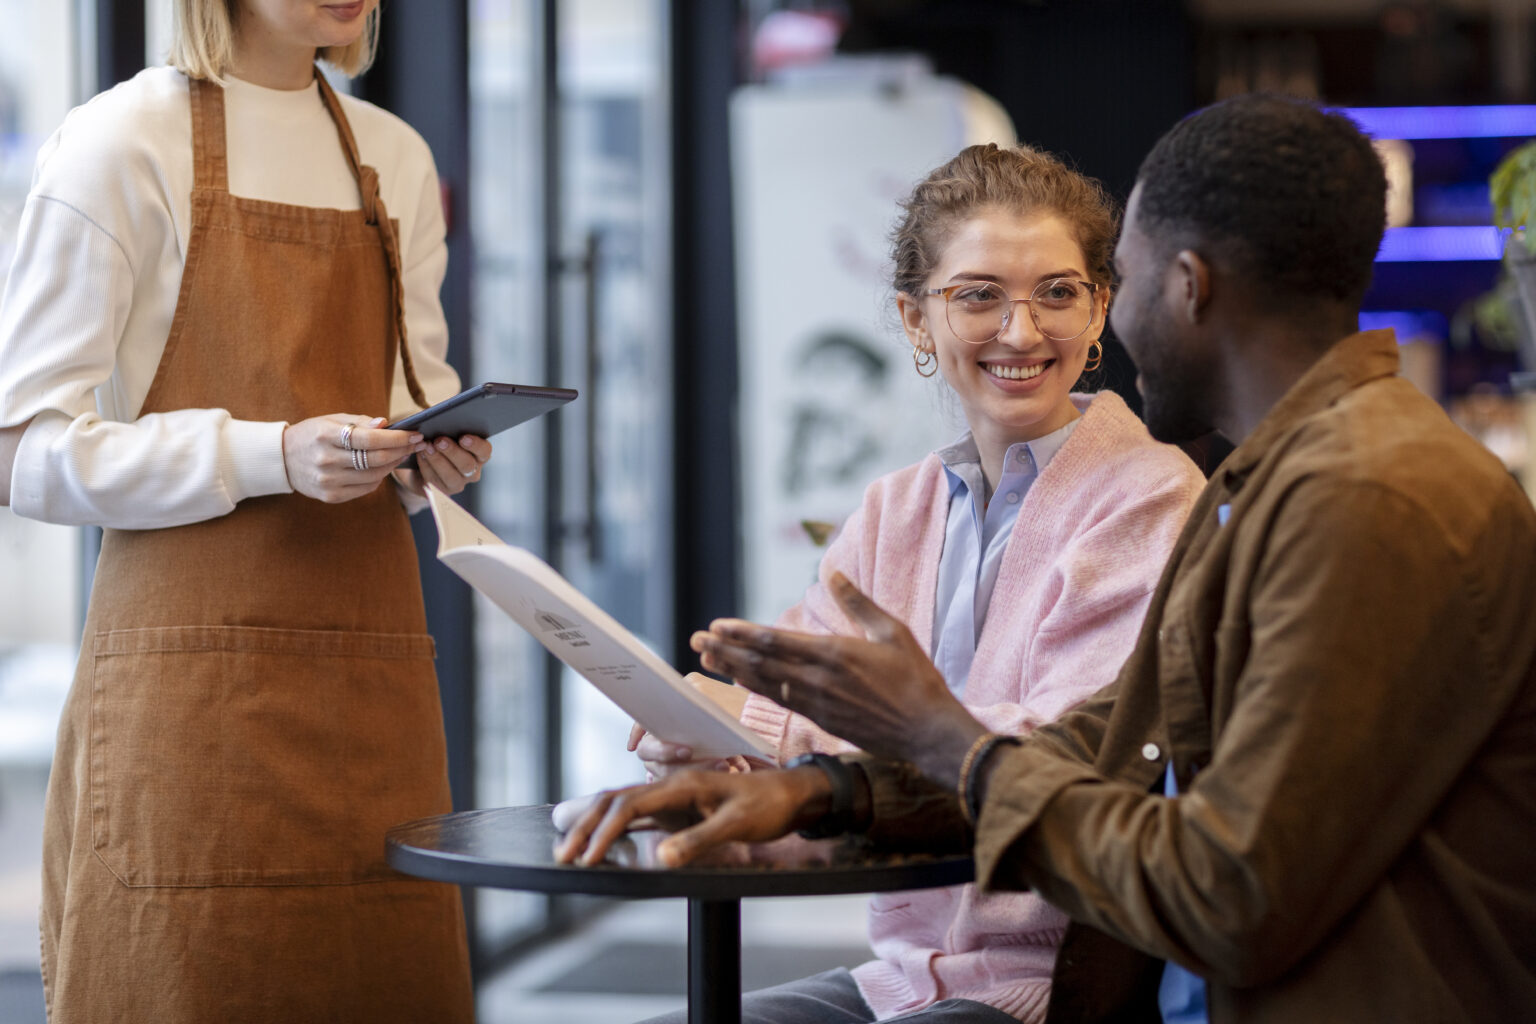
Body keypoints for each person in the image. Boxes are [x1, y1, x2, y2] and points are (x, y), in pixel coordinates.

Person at [559, 94, 1536, 1022]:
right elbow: (1112, 744)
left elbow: (1227, 888)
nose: (1055, 327)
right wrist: (822, 787)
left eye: (1097, 286)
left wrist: (933, 735)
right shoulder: (1286, 482)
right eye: (980, 296)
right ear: (917, 316)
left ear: (1185, 285)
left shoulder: (1361, 497)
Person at [629, 143, 1206, 1023]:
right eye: (979, 295)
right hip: (901, 978)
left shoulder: (1151, 494)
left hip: (1062, 981)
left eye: (1058, 292)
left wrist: (760, 722)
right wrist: (701, 738)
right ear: (914, 319)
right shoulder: (892, 511)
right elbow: (812, 721)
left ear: (1100, 312)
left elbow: (1055, 746)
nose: (1022, 330)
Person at [0, 2, 485, 1020]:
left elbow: (407, 394)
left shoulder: (393, 157)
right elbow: (19, 452)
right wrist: (271, 453)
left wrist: (421, 457)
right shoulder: (118, 143)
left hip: (372, 688)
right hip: (192, 709)